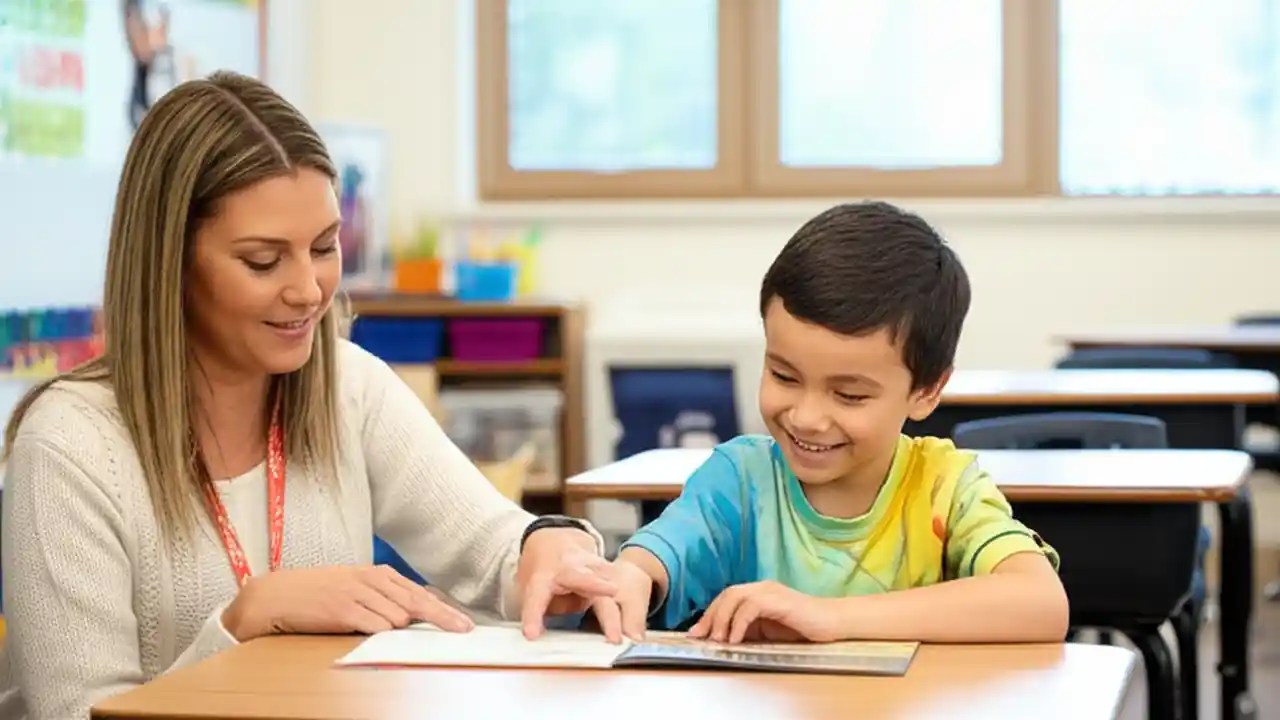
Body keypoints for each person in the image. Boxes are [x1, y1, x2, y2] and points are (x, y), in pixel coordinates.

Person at [0, 71, 638, 720]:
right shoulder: (71, 446)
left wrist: (546, 549)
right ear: (172, 265)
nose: (309, 290)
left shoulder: (347, 385)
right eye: (262, 260)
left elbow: (491, 544)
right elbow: (78, 714)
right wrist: (245, 622)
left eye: (325, 247)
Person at [607, 202, 1069, 644]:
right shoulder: (740, 482)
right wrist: (629, 574)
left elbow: (1041, 602)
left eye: (849, 395)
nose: (806, 417)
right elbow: (657, 555)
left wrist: (829, 617)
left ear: (927, 390)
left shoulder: (944, 490)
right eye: (783, 375)